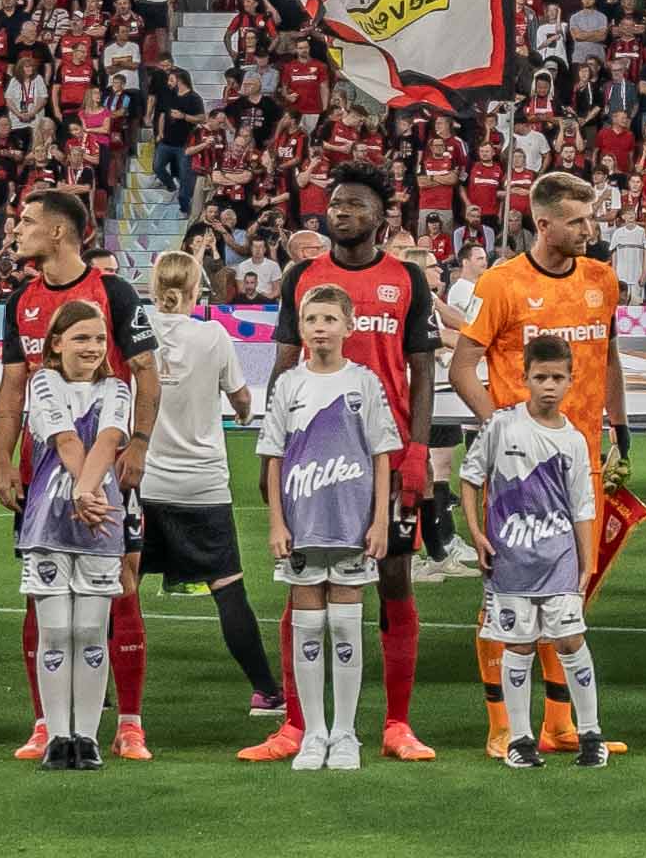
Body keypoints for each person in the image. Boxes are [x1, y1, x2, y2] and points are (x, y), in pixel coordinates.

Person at [280, 169, 450, 762]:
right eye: (334, 203)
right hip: (312, 461)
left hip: (386, 452)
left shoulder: (405, 278)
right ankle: (296, 726)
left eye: (355, 203)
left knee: (394, 579)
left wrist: (419, 451)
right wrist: (277, 453)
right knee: (303, 580)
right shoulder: (303, 277)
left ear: (382, 217)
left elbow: (424, 369)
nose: (341, 210)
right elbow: (282, 365)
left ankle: (396, 723)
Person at [0, 187, 160, 757]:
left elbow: (145, 371)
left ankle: (128, 721)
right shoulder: (21, 300)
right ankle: (47, 722)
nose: (18, 228)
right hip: (45, 475)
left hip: (111, 470)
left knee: (123, 586)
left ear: (58, 231)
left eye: (27, 220)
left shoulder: (112, 291)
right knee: (41, 598)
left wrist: (138, 443)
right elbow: (14, 385)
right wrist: (1, 460)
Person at [129, 241, 268, 747]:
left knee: (125, 589)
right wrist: (245, 411)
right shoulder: (213, 335)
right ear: (195, 289)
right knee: (227, 588)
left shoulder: (136, 332)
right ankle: (265, 690)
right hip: (201, 483)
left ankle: (107, 685)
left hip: (143, 482)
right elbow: (242, 399)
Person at [257, 284, 396, 773]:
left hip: (352, 524)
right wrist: (276, 520)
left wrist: (379, 520)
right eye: (312, 320)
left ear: (349, 326)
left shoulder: (365, 383)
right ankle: (313, 733)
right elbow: (272, 458)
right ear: (301, 327)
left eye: (330, 320)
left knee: (346, 629)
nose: (320, 329)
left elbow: (382, 455)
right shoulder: (289, 386)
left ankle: (346, 734)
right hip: (303, 526)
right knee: (308, 629)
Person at [465, 325, 614, 768]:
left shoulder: (573, 440)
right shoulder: (501, 425)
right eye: (541, 377)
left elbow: (582, 506)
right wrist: (476, 534)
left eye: (557, 378)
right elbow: (471, 479)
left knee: (570, 640)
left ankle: (591, 734)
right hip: (509, 561)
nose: (549, 386)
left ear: (572, 380)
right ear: (524, 377)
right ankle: (520, 740)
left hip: (559, 560)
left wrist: (587, 563)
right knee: (519, 646)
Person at [12, 302, 143, 772]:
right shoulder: (42, 382)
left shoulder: (117, 387)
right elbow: (65, 440)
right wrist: (86, 493)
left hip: (98, 520)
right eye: (80, 338)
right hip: (51, 520)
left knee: (90, 630)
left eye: (98, 339)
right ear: (56, 343)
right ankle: (57, 734)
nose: (91, 348)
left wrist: (86, 495)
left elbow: (108, 441)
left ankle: (85, 738)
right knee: (55, 631)